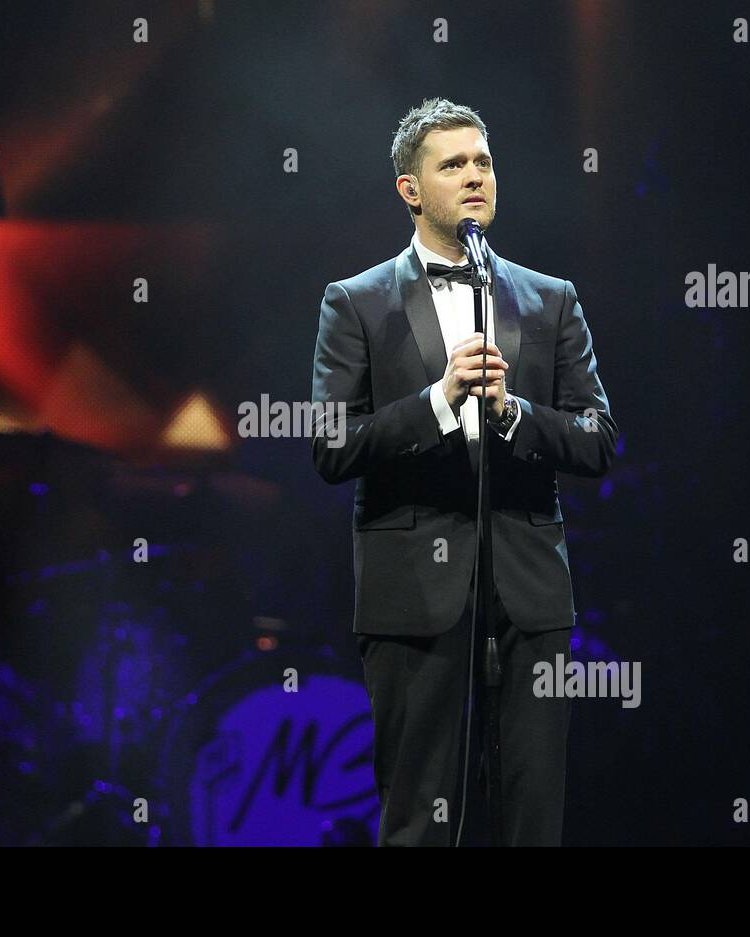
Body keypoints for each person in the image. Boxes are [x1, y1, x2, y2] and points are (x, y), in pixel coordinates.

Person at [310, 98, 618, 846]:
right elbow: (330, 447)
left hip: (529, 596)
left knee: (532, 819)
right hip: (412, 596)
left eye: (483, 161)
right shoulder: (356, 301)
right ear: (410, 190)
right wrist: (438, 401)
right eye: (453, 164)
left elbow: (598, 437)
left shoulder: (551, 299)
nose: (475, 175)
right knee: (418, 818)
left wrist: (514, 414)